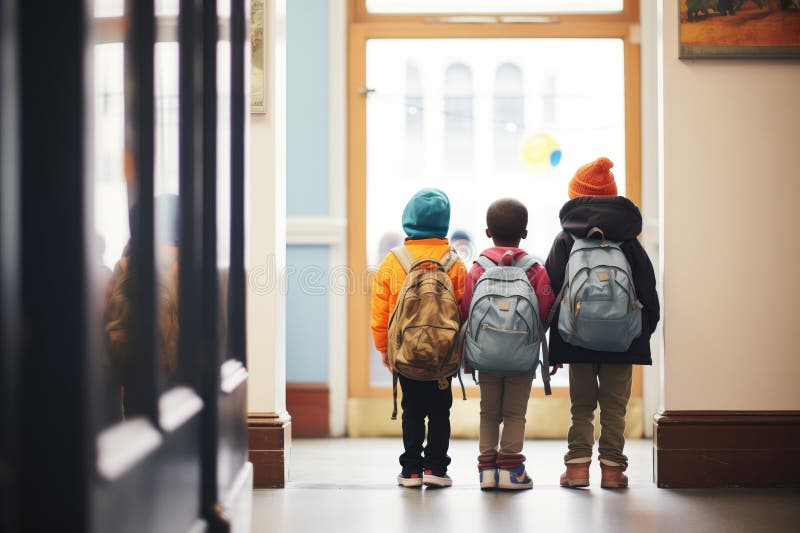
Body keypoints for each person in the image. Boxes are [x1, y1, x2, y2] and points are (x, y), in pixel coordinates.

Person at [545, 157, 660, 489]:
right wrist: (639, 332)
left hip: (575, 338)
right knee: (615, 407)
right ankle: (612, 471)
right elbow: (647, 292)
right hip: (622, 340)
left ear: (576, 198)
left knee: (581, 407)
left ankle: (577, 468)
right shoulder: (629, 241)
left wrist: (554, 346)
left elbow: (550, 292)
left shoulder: (566, 239)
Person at [370, 188, 467, 488]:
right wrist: (460, 352)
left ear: (408, 221)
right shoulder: (455, 263)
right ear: (444, 223)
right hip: (443, 357)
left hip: (406, 354)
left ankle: (411, 470)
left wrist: (384, 349)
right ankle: (436, 468)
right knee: (440, 412)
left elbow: (380, 314)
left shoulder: (392, 262)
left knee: (411, 411)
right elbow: (463, 313)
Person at [460, 198, 554, 490]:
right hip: (521, 356)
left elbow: (466, 310)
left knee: (488, 411)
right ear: (524, 233)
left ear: (488, 233)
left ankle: (487, 470)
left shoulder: (477, 269)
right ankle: (511, 471)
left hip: (485, 355)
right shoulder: (534, 269)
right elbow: (546, 309)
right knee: (515, 413)